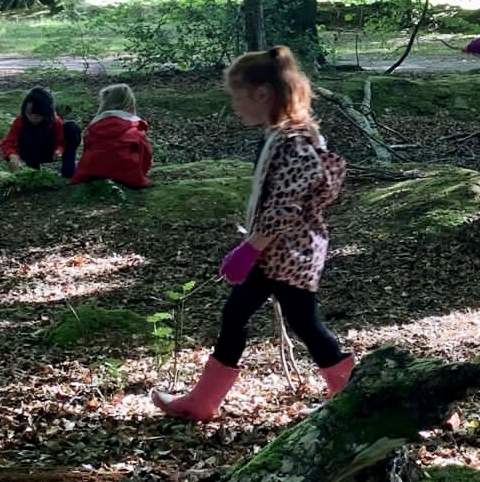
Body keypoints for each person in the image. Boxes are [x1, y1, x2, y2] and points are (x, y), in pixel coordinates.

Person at [151, 45, 353, 422]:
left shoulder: (293, 141)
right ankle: (202, 402)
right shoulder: (277, 136)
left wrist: (249, 249)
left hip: (289, 255)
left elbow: (285, 208)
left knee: (305, 323)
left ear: (262, 94)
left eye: (237, 97)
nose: (235, 106)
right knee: (237, 315)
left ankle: (353, 395)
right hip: (274, 253)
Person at [69, 82, 152, 189]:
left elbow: (88, 147)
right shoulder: (135, 124)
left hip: (91, 171)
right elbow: (145, 151)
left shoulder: (95, 124)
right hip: (127, 172)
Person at [0, 85, 81, 177]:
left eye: (38, 115)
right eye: (29, 114)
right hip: (29, 152)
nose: (33, 118)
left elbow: (60, 141)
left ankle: (69, 172)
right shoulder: (21, 120)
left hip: (49, 151)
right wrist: (12, 156)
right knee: (31, 133)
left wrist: (59, 151)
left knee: (72, 128)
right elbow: (8, 142)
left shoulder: (54, 121)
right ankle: (33, 171)